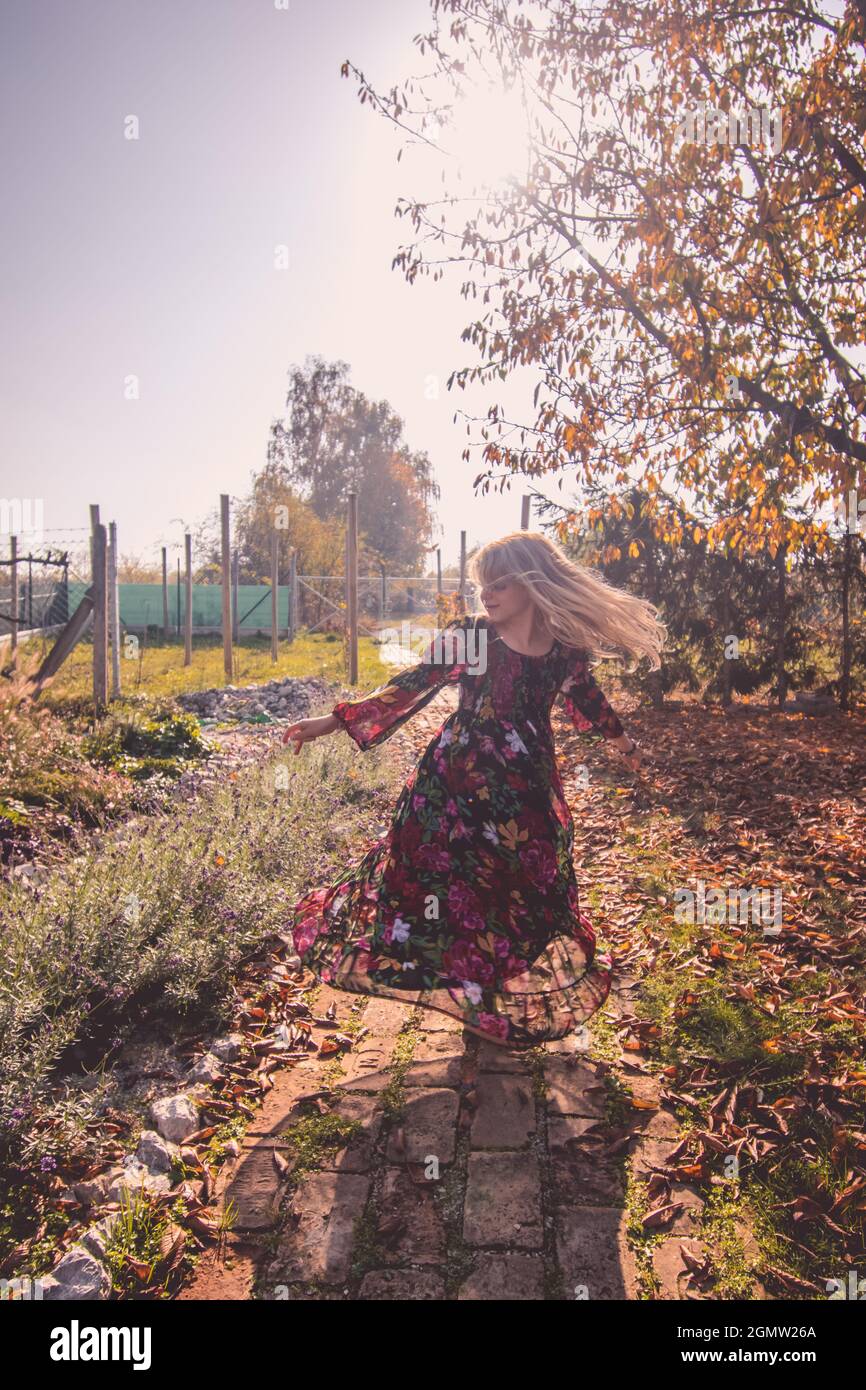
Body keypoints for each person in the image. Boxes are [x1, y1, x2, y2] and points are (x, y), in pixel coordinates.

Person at [282, 531, 665, 1047]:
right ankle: (456, 984)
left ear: (533, 583)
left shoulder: (564, 652)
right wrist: (333, 721)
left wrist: (625, 745)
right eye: (483, 584)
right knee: (433, 873)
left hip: (524, 790)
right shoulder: (472, 638)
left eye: (501, 583)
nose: (487, 593)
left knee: (525, 880)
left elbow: (589, 700)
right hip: (452, 784)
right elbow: (412, 682)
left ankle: (492, 985)